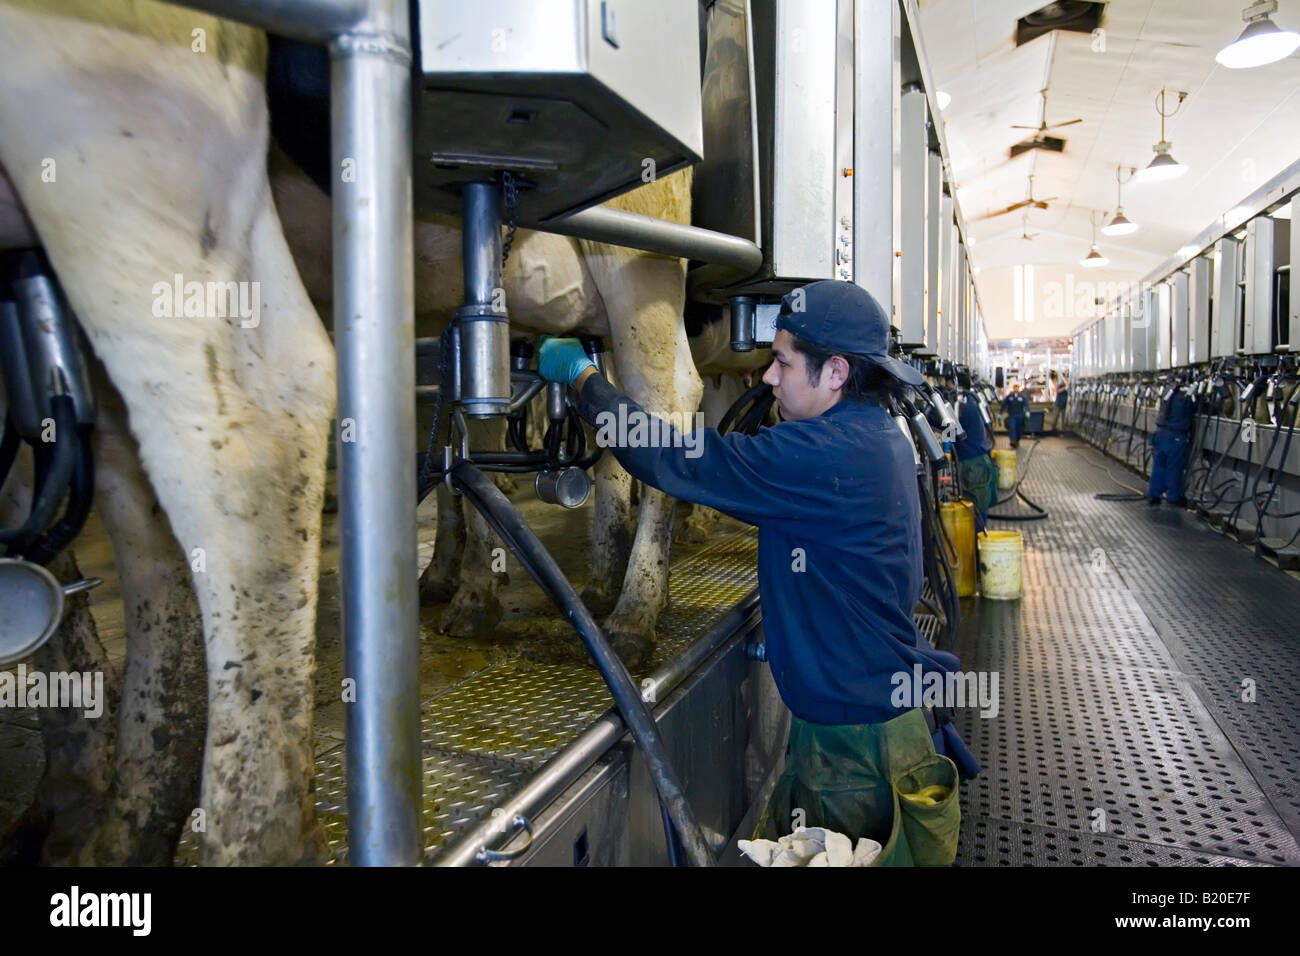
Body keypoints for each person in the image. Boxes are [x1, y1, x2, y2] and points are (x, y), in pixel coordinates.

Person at [538, 280, 979, 865]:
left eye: (782, 362)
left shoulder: (822, 454)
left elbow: (669, 459)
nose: (768, 377)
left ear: (837, 372)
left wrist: (583, 380)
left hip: (853, 753)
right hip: (870, 727)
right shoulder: (876, 437)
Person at [951, 372, 998, 525]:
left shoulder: (960, 406)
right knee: (979, 506)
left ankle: (976, 545)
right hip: (980, 460)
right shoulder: (972, 400)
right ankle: (978, 542)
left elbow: (948, 432)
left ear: (955, 385)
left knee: (975, 509)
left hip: (973, 466)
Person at [1147, 383, 1195, 507]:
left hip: (1160, 434)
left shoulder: (1168, 393)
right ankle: (1174, 497)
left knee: (1159, 466)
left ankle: (1154, 494)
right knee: (1174, 468)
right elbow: (1199, 408)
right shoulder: (1187, 397)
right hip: (1175, 437)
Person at [1000, 382, 1030, 448]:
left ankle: (1017, 440)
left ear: (1018, 389)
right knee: (1012, 428)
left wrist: (1027, 412)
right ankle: (1012, 441)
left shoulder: (1022, 397)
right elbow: (1004, 405)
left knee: (1018, 430)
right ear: (1013, 389)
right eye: (1014, 388)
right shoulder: (1009, 397)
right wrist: (1000, 413)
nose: (1016, 389)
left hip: (1020, 416)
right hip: (1012, 415)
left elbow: (1027, 404)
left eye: (1017, 388)